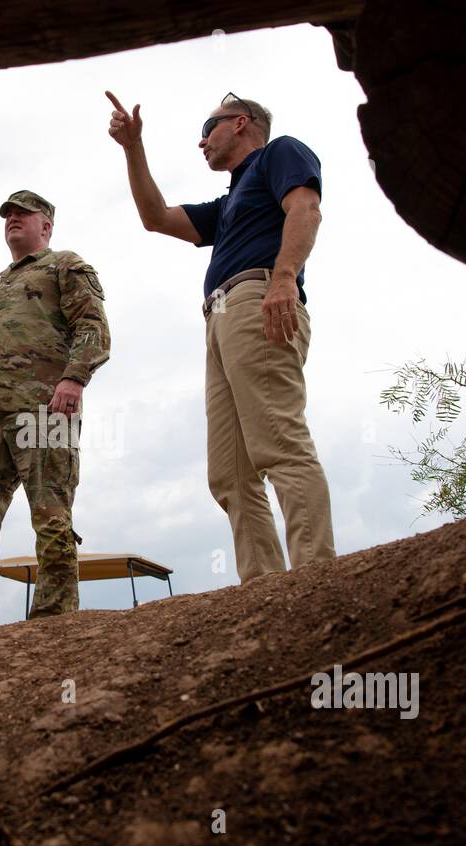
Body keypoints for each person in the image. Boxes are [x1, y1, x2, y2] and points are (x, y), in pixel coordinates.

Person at [106, 90, 336, 581]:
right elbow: (156, 217)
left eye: (206, 129)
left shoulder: (280, 153)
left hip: (258, 299)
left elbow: (306, 208)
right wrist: (133, 148)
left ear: (240, 122)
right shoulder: (230, 201)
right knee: (229, 472)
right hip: (220, 318)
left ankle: (316, 578)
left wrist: (284, 278)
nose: (201, 142)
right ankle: (264, 587)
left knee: (279, 443)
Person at [0, 190, 110, 627]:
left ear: (46, 225)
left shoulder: (64, 266)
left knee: (51, 517)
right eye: (8, 215)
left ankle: (54, 621)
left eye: (23, 213)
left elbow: (92, 326)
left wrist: (74, 378)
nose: (13, 219)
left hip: (44, 411)